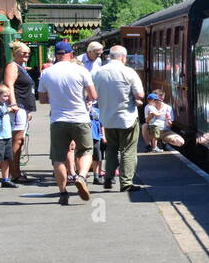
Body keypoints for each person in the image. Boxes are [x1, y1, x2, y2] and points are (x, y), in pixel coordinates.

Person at [36, 41, 97, 206]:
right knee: (85, 151)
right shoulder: (81, 70)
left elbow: (42, 100)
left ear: (56, 54)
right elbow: (93, 95)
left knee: (58, 158)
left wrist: (56, 99)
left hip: (58, 120)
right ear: (71, 54)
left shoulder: (47, 73)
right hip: (80, 118)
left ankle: (63, 193)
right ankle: (82, 177)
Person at [93, 45, 147, 192]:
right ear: (123, 57)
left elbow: (93, 94)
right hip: (126, 118)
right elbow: (140, 95)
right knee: (127, 151)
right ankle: (126, 183)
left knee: (111, 149)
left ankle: (108, 178)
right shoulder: (128, 72)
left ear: (110, 56)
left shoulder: (98, 73)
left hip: (107, 118)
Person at [2, 41, 36, 184]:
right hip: (18, 107)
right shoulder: (12, 66)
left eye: (28, 53)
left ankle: (15, 171)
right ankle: (14, 173)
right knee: (17, 139)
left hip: (24, 108)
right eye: (24, 52)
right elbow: (9, 84)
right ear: (15, 53)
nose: (27, 55)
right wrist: (13, 103)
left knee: (20, 140)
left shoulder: (21, 67)